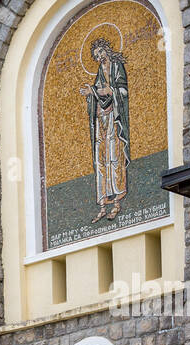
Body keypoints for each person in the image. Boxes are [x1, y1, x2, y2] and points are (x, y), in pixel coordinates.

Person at [79, 37, 130, 223]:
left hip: (114, 118)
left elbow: (119, 91)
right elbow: (101, 92)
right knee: (100, 158)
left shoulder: (116, 66)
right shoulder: (101, 70)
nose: (99, 57)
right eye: (96, 55)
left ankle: (116, 202)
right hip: (101, 118)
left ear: (107, 50)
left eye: (100, 52)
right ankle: (102, 205)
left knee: (114, 156)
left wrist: (94, 91)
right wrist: (92, 93)